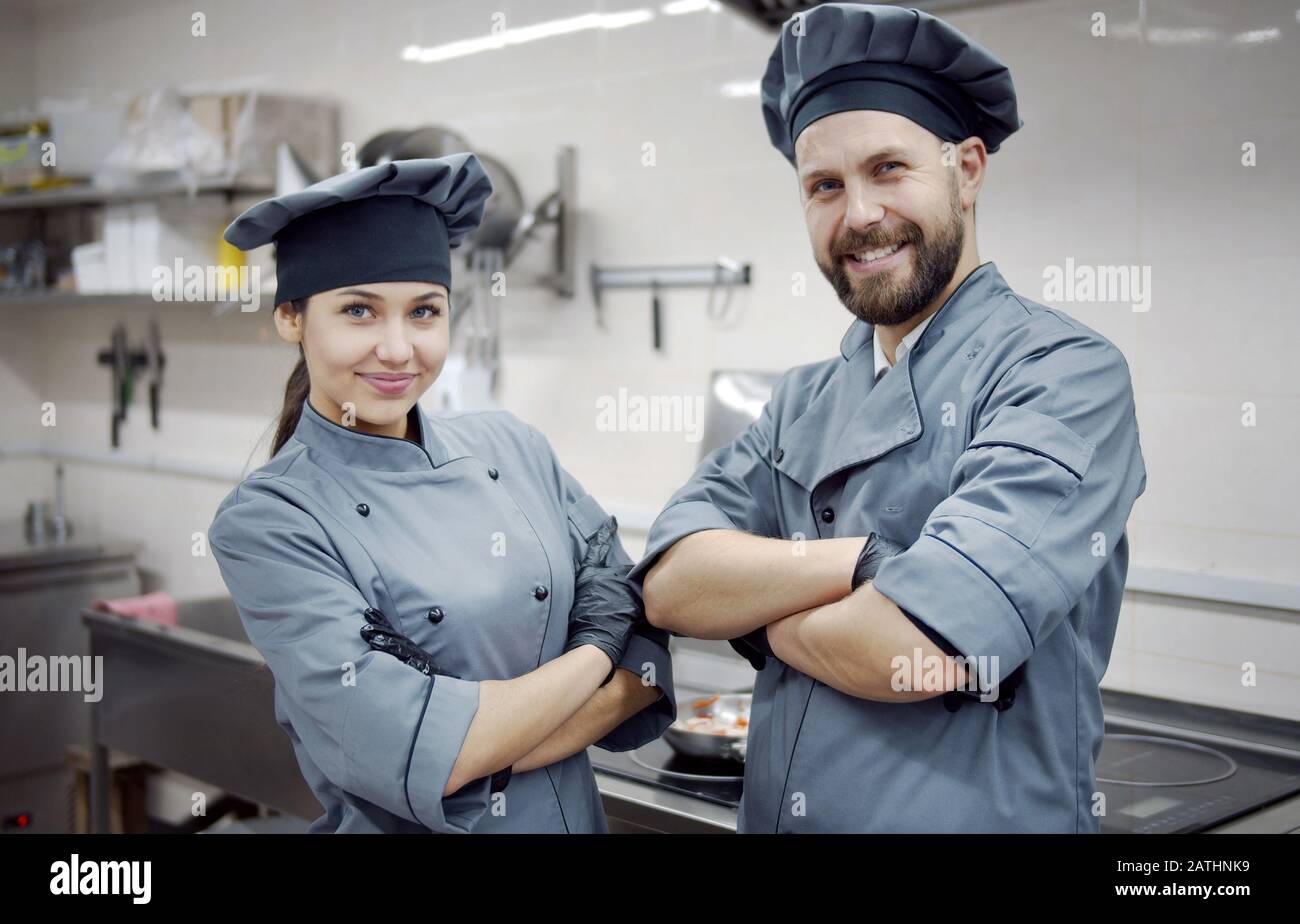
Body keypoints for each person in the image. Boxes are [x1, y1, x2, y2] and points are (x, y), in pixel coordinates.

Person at [632, 3, 1146, 833]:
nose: (860, 214)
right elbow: (672, 584)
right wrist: (870, 566)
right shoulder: (799, 399)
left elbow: (914, 653)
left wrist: (756, 604)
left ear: (968, 169)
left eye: (889, 168)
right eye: (824, 185)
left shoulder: (1062, 376)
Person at [209, 153, 675, 833]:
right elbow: (433, 750)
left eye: (424, 312)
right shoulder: (270, 520)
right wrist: (597, 651)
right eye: (360, 311)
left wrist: (494, 740)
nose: (398, 349)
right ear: (291, 319)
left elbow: (645, 653)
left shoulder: (513, 447)